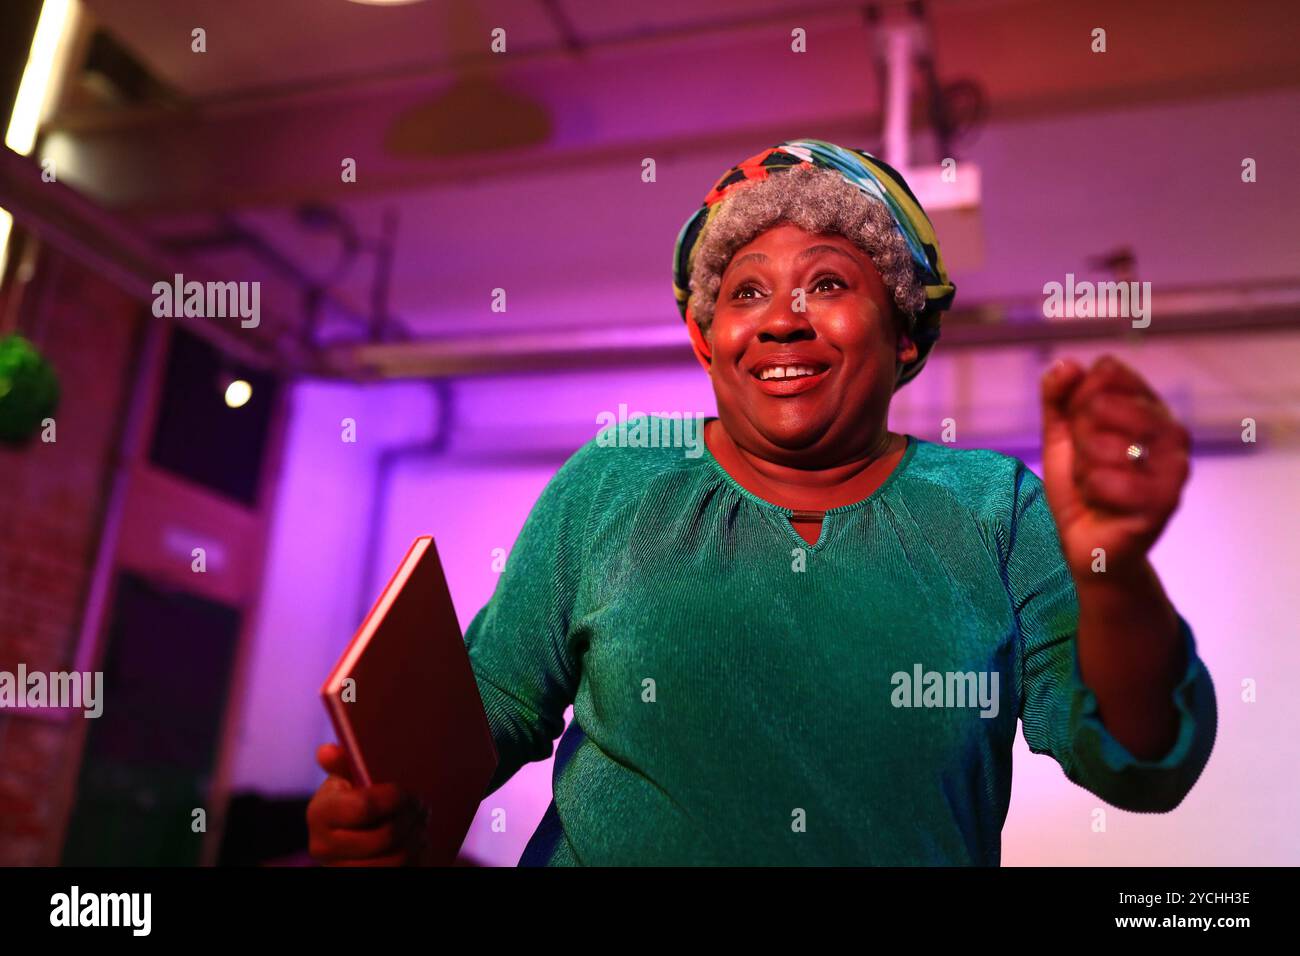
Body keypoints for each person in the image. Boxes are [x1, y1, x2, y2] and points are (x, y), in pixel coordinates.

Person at [307, 138, 1216, 866]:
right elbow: (488, 710)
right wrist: (376, 815)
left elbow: (1138, 761)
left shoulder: (995, 509)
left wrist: (1120, 575)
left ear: (904, 334)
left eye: (828, 282)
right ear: (709, 344)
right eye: (746, 291)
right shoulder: (617, 478)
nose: (782, 317)